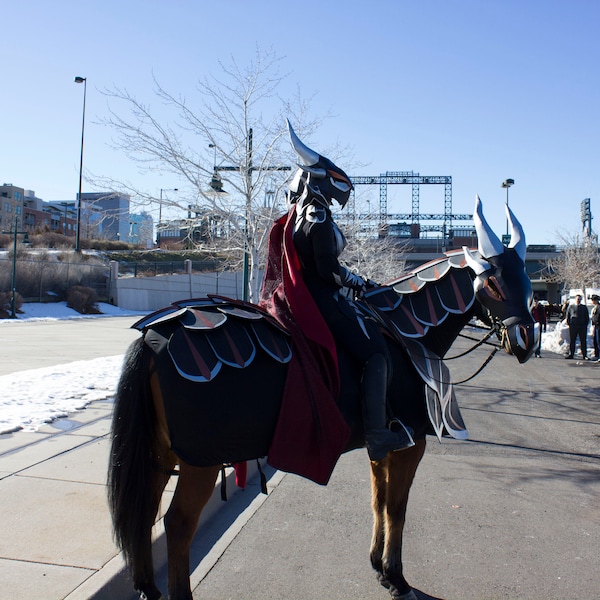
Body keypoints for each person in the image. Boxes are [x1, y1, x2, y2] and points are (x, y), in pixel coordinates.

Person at [279, 121, 413, 461]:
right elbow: (327, 269)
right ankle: (377, 433)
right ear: (318, 181)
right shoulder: (318, 213)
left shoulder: (300, 212)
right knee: (376, 353)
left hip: (309, 295)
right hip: (323, 299)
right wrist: (356, 281)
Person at [565, 294, 589, 359]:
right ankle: (571, 354)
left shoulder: (584, 307)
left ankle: (584, 355)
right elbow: (568, 315)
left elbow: (587, 317)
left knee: (583, 341)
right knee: (572, 340)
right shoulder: (571, 306)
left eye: (579, 299)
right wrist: (569, 323)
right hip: (573, 326)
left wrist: (585, 325)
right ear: (575, 299)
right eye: (577, 299)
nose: (578, 300)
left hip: (582, 327)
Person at [590, 294, 600, 361]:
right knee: (595, 341)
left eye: (593, 300)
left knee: (599, 341)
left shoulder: (599, 307)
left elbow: (597, 317)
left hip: (599, 326)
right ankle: (596, 355)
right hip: (595, 326)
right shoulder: (595, 307)